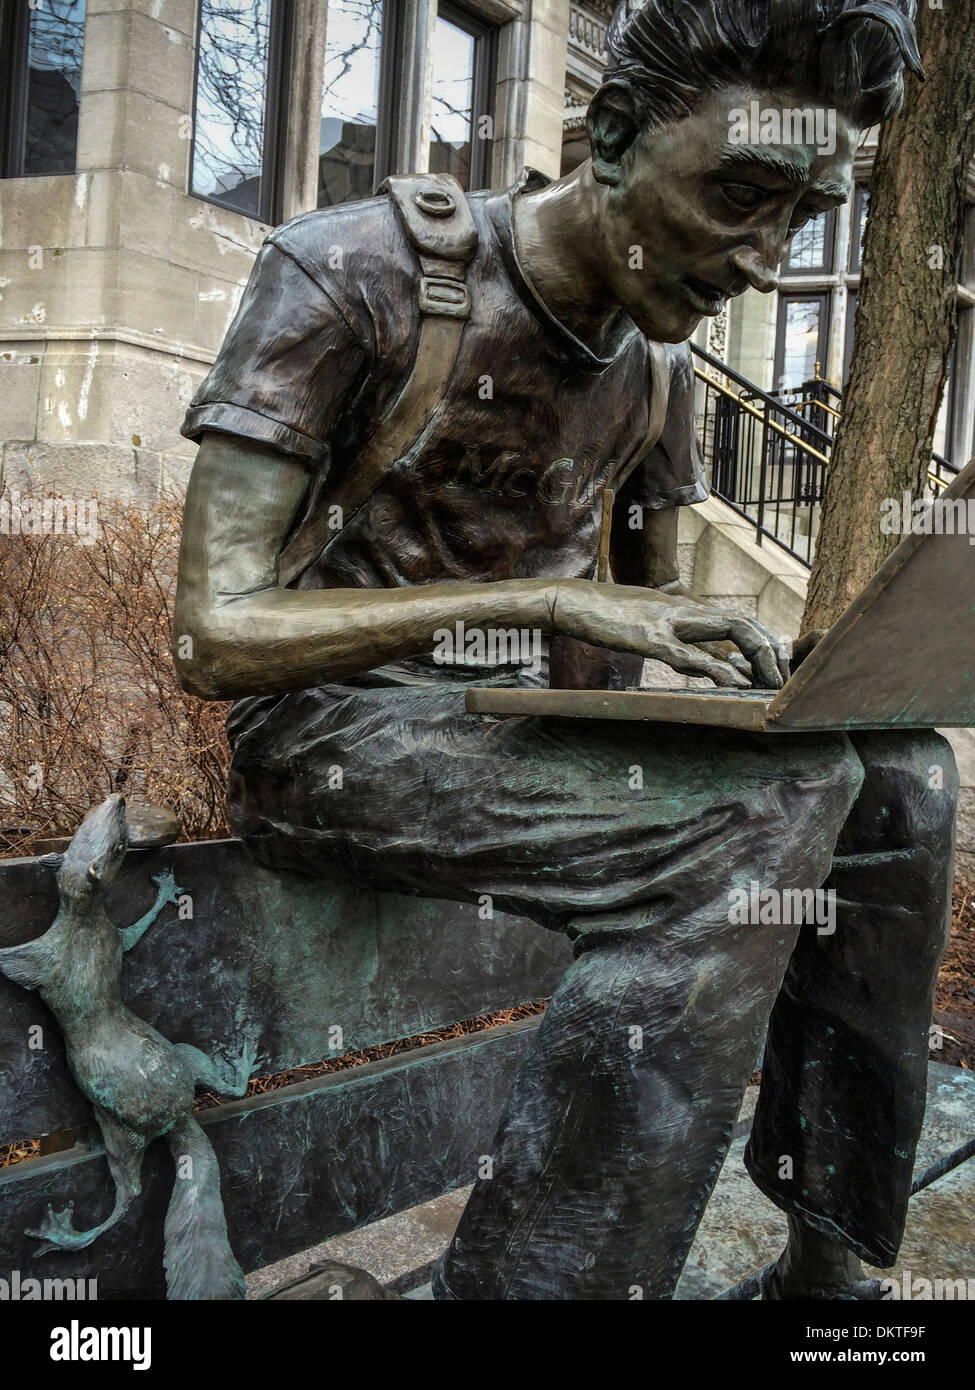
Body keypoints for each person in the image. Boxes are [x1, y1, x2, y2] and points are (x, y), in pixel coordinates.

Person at [173, 0, 956, 1299]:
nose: (763, 257)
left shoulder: (659, 364)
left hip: (523, 748)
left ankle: (828, 1268)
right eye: (741, 193)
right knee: (756, 824)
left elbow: (653, 629)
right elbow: (214, 631)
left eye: (799, 221)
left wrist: (758, 682)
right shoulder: (354, 270)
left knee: (904, 782)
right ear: (609, 133)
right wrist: (551, 609)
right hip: (331, 738)